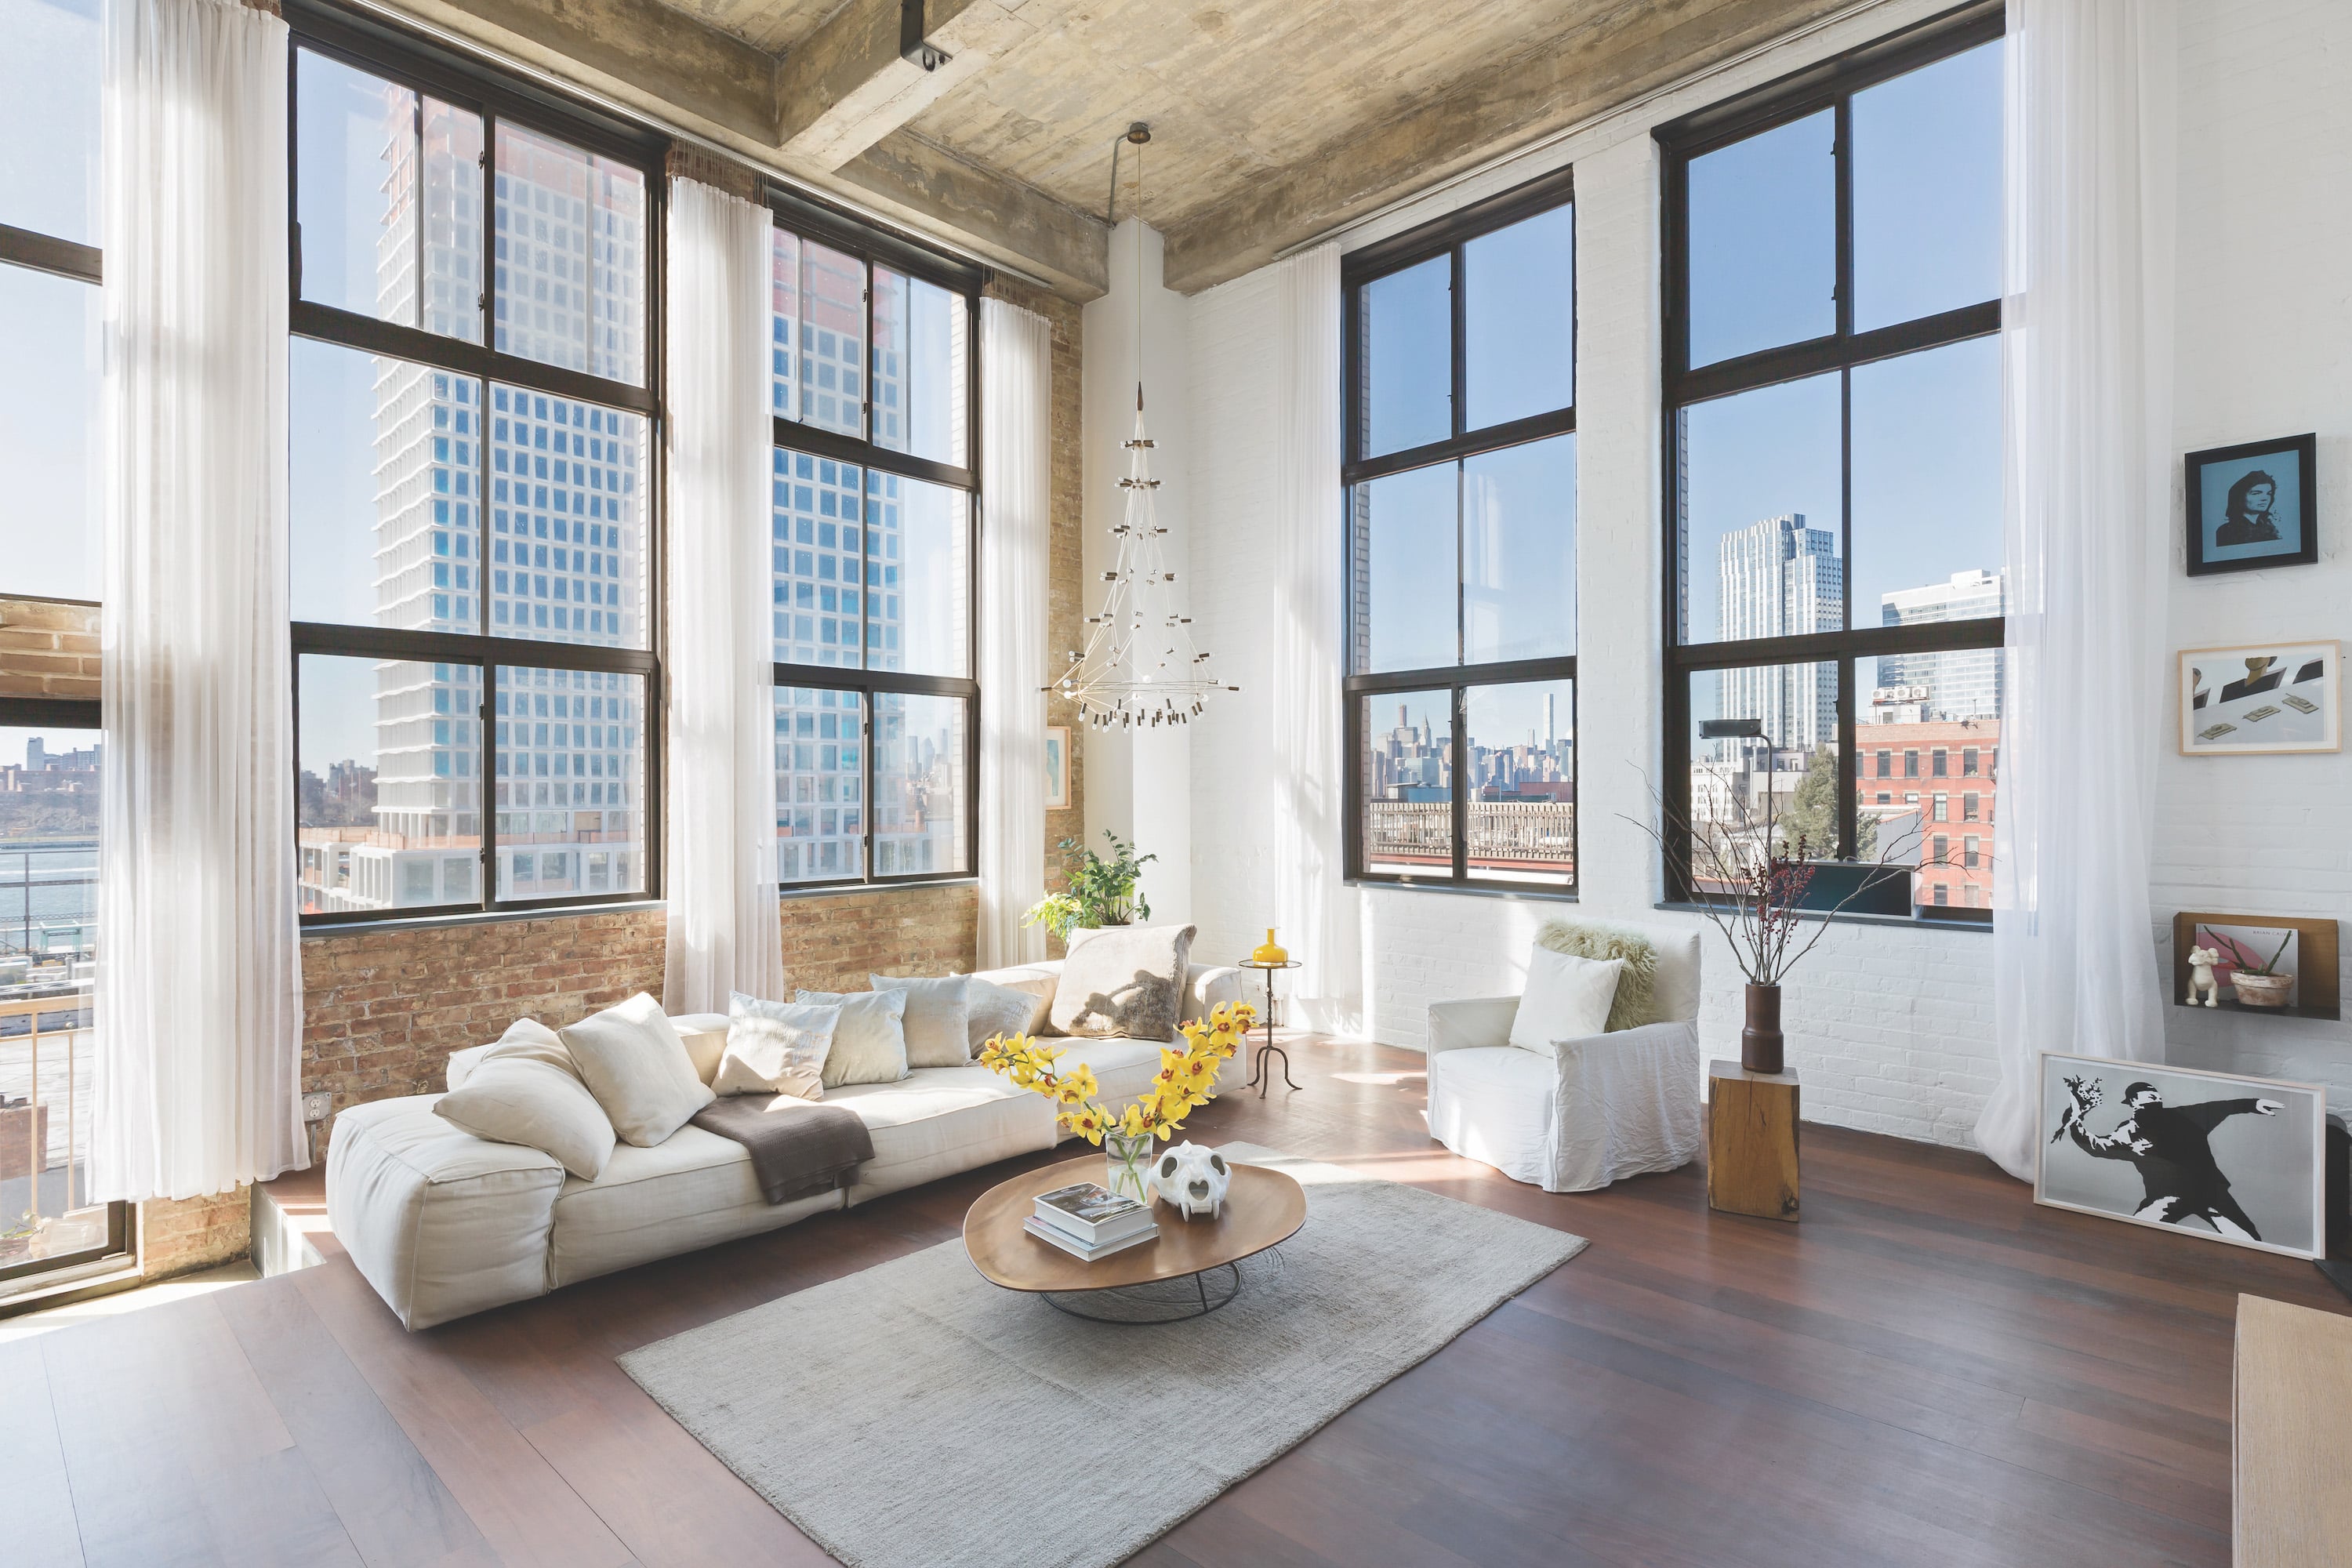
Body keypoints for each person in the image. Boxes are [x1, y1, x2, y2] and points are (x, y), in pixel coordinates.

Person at [2057, 1079, 2281, 1240]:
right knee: (2137, 1236)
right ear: (2134, 1102)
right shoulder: (2129, 1131)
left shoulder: (2187, 1116)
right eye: (2148, 1094)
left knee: (2250, 1241)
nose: (2155, 1096)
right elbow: (2097, 1146)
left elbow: (2224, 1107)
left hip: (2210, 1193)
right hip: (2166, 1198)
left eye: (2155, 1094)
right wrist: (2075, 1122)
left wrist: (2253, 1104)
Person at [2215, 470, 2283, 547]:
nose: (2265, 498)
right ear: (2240, 497)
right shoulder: (2227, 531)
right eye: (2256, 493)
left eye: (2269, 493)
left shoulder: (2269, 528)